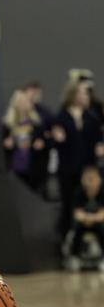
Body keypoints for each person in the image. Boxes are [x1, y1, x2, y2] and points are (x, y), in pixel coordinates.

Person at [50, 78, 104, 233]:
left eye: (86, 93)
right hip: (68, 169)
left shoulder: (91, 117)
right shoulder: (62, 116)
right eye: (82, 92)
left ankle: (88, 242)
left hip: (87, 170)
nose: (85, 96)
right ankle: (65, 238)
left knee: (89, 204)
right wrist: (56, 138)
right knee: (67, 204)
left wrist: (100, 145)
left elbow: (98, 137)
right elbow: (55, 141)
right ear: (73, 94)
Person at [1, 90, 46, 193]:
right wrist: (6, 144)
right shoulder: (7, 124)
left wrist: (42, 143)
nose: (23, 104)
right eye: (20, 101)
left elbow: (45, 140)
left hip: (33, 166)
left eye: (25, 101)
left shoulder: (37, 123)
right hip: (15, 166)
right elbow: (1, 144)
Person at [64, 165, 104, 271]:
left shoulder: (102, 192)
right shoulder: (79, 192)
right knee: (77, 229)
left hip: (97, 224)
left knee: (102, 229)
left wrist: (90, 218)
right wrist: (90, 218)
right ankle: (75, 257)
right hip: (84, 224)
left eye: (93, 179)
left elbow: (102, 215)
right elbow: (77, 214)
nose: (90, 182)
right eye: (88, 179)